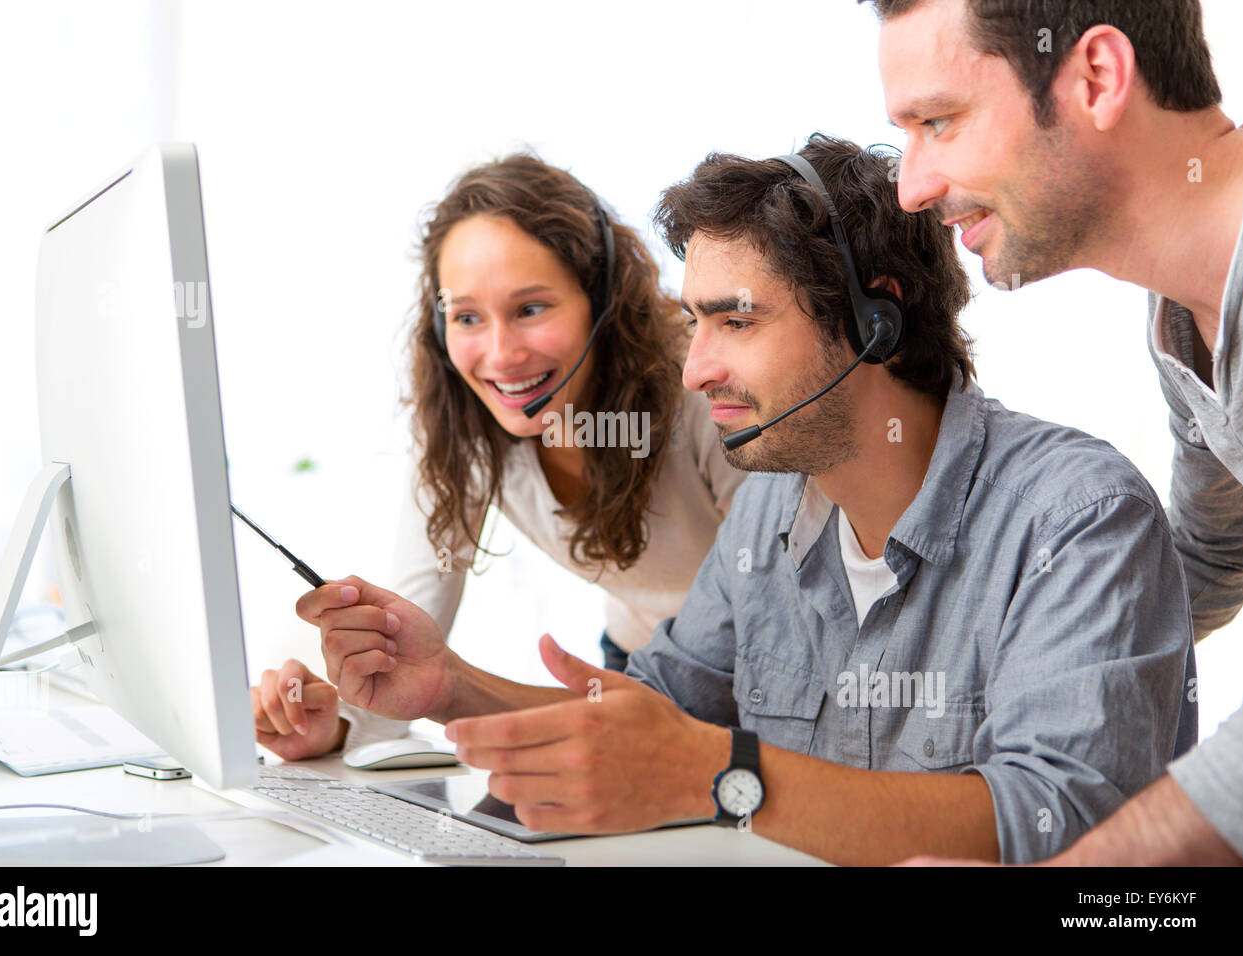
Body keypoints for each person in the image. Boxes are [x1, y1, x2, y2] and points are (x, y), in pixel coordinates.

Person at [301, 133, 1197, 865]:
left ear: (872, 320)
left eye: (737, 320)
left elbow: (1066, 827)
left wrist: (725, 776)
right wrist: (449, 685)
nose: (696, 370)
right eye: (695, 325)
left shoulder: (1077, 517)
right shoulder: (771, 510)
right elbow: (641, 720)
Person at [865, 0, 1243, 865]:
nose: (912, 187)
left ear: (1097, 77)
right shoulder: (1188, 317)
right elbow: (1217, 558)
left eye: (940, 122)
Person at [250, 155, 745, 760]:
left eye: (531, 309)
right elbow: (412, 635)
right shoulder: (466, 426)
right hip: (638, 669)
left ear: (602, 299)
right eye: (466, 318)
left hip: (757, 674)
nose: (501, 354)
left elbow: (779, 617)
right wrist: (340, 722)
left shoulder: (704, 390)